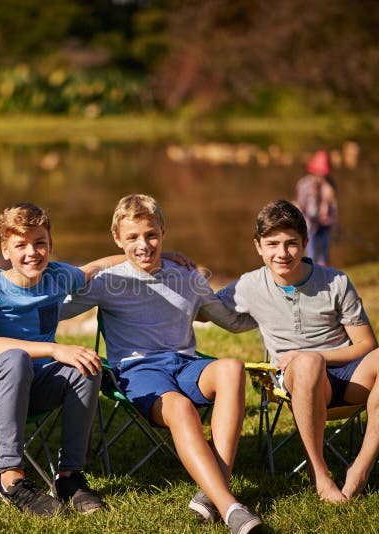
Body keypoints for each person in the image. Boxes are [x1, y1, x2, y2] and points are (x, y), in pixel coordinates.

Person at [59, 194, 264, 534]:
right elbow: (53, 308)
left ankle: (213, 489)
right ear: (117, 239)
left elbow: (233, 322)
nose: (144, 245)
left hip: (185, 365)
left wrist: (276, 298)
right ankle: (230, 507)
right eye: (132, 238)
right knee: (181, 408)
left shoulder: (187, 277)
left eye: (151, 235)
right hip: (138, 374)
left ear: (163, 231)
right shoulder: (108, 282)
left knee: (232, 368)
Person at [217, 199, 379, 503]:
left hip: (346, 375)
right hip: (298, 379)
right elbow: (200, 307)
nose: (282, 253)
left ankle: (361, 466)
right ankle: (320, 475)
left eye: (291, 243)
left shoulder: (335, 281)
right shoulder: (248, 285)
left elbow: (365, 345)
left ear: (306, 243)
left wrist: (321, 356)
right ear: (258, 246)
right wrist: (186, 271)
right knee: (307, 363)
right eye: (272, 244)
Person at [0, 202, 112, 517]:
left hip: (35, 385)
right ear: (5, 250)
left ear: (50, 245)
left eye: (39, 243)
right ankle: (11, 480)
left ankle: (69, 478)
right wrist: (55, 349)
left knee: (85, 364)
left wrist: (154, 255)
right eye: (21, 245)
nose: (32, 252)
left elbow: (93, 268)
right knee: (16, 359)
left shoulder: (58, 276)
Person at [295, 150, 338, 265]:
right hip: (310, 224)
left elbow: (333, 206)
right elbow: (301, 205)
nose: (321, 175)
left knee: (324, 255)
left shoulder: (330, 185)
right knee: (311, 255)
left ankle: (323, 277)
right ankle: (311, 278)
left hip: (325, 224)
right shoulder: (304, 184)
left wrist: (334, 222)